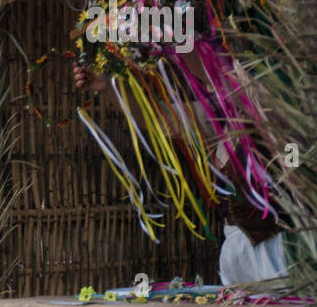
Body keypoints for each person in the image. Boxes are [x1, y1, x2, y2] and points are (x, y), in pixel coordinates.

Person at [73, 62, 285, 285]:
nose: (213, 84)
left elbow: (299, 165)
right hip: (236, 248)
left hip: (280, 246)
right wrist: (108, 88)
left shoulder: (282, 121)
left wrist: (292, 159)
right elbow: (156, 118)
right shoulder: (213, 116)